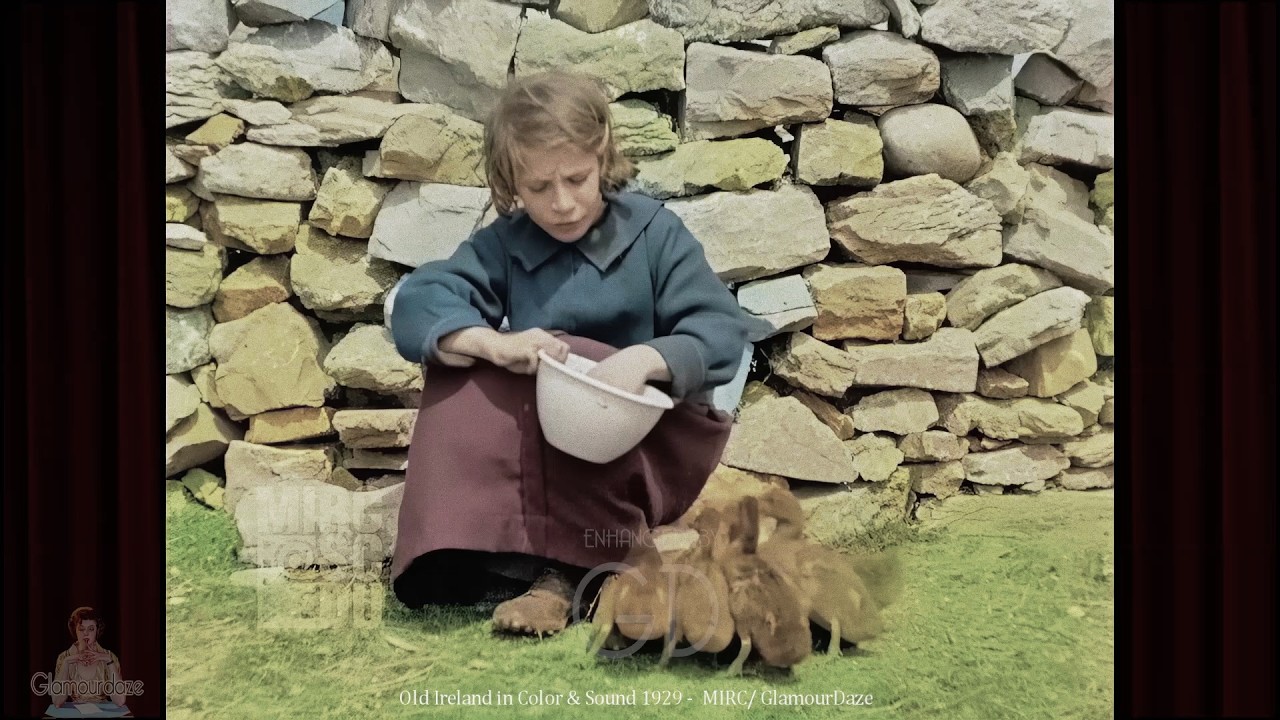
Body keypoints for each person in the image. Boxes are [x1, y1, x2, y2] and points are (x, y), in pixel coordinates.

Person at [388, 70, 757, 637]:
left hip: (652, 438)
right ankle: (454, 553)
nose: (561, 203)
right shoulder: (507, 243)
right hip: (557, 433)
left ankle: (565, 576)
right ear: (511, 182)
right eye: (538, 188)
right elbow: (422, 300)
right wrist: (493, 342)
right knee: (460, 367)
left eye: (577, 179)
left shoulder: (656, 234)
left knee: (574, 357)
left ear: (602, 153)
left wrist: (645, 360)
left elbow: (721, 330)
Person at [50, 607, 126, 707]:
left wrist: (109, 661)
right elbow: (57, 701)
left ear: (97, 630)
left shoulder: (110, 656)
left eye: (91, 629)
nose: (86, 633)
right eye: (81, 629)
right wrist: (67, 662)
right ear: (75, 630)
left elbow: (120, 701)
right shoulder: (64, 657)